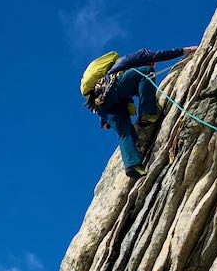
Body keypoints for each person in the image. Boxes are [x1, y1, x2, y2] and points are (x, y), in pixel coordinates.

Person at [81, 46, 199, 178]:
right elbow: (158, 55)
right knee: (147, 72)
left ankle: (132, 165)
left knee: (125, 132)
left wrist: (106, 120)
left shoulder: (114, 77)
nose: (153, 64)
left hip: (103, 105)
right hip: (113, 89)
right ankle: (148, 114)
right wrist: (186, 50)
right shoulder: (127, 60)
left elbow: (140, 91)